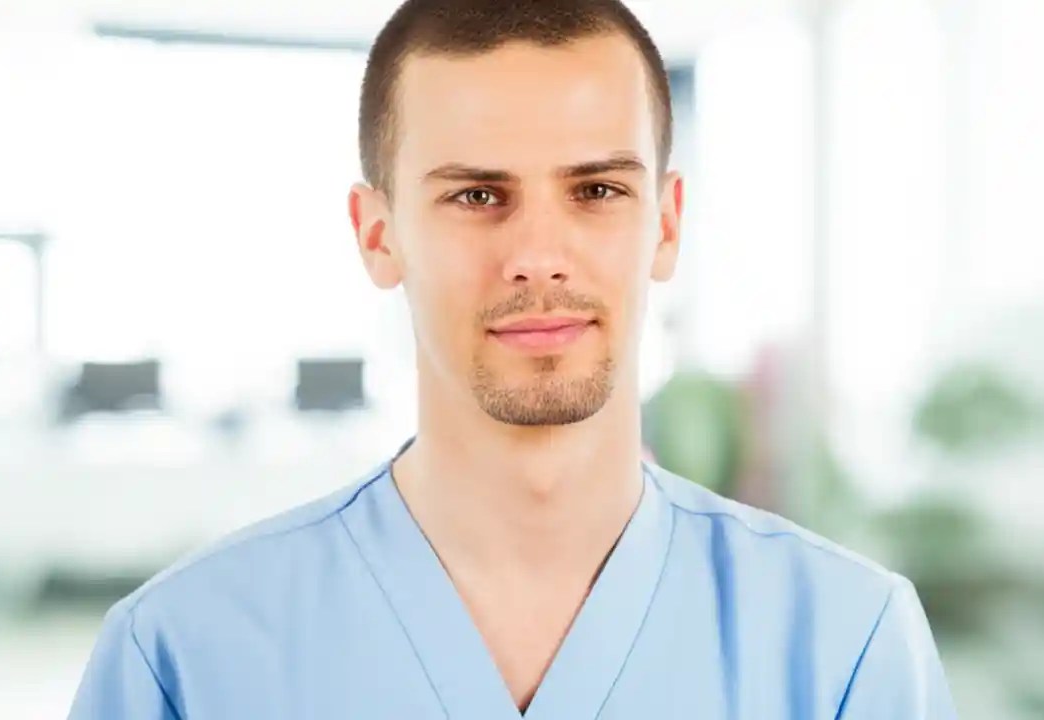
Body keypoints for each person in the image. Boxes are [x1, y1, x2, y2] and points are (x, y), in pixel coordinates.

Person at [69, 1, 957, 717]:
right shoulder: (187, 658)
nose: (538, 253)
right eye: (478, 194)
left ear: (668, 223)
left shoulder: (843, 646)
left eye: (598, 189)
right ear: (378, 236)